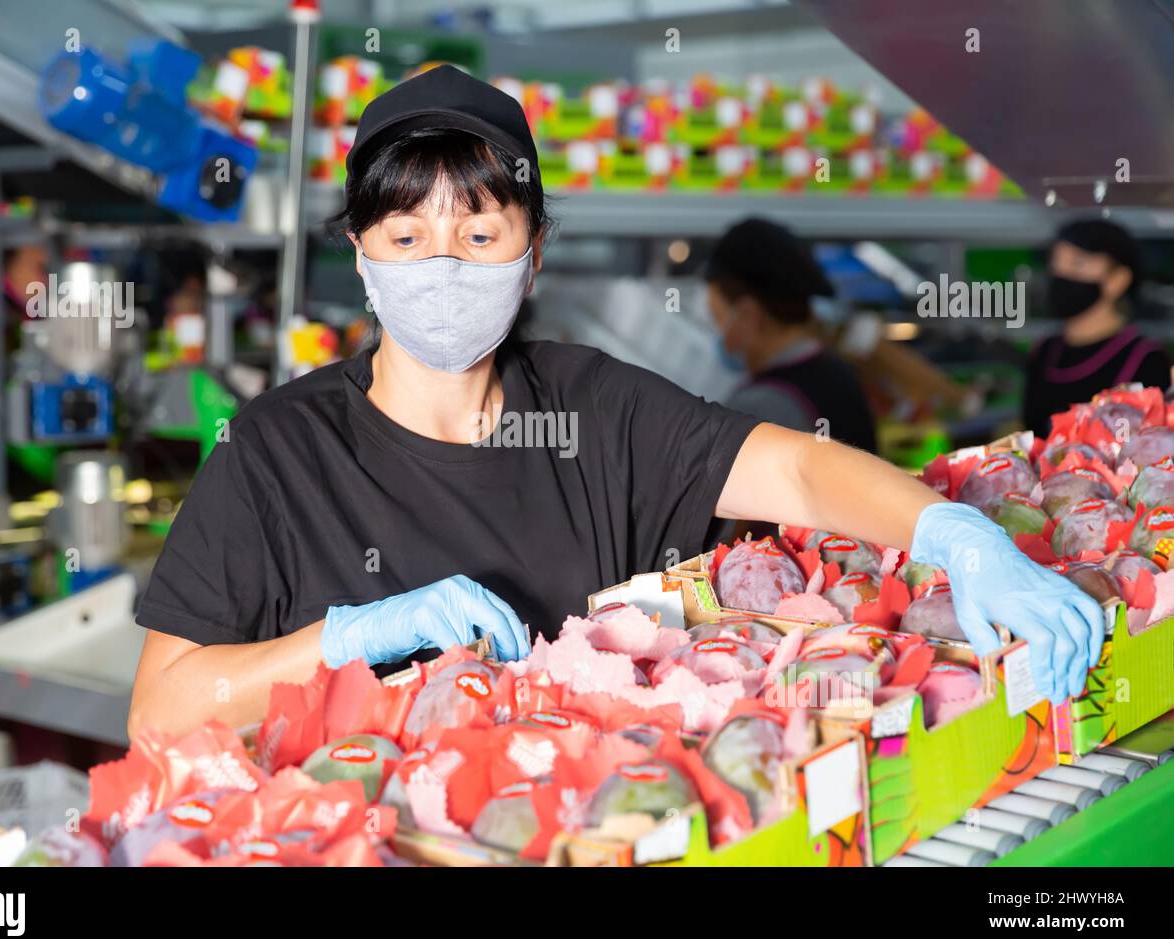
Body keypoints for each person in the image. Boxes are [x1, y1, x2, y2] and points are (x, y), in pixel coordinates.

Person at [128, 66, 1100, 740]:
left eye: (478, 233)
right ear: (360, 254)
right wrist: (345, 638)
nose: (440, 264)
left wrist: (956, 537)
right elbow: (161, 710)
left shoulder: (595, 405)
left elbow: (797, 464)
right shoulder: (273, 454)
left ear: (533, 250)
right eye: (405, 235)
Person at [705, 218, 878, 453]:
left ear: (749, 315)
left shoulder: (761, 407)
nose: (718, 332)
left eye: (718, 317)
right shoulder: (838, 373)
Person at [1023, 218, 1171, 437]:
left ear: (1117, 280)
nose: (1061, 275)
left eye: (1077, 264)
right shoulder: (1045, 351)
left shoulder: (1145, 359)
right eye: (1056, 263)